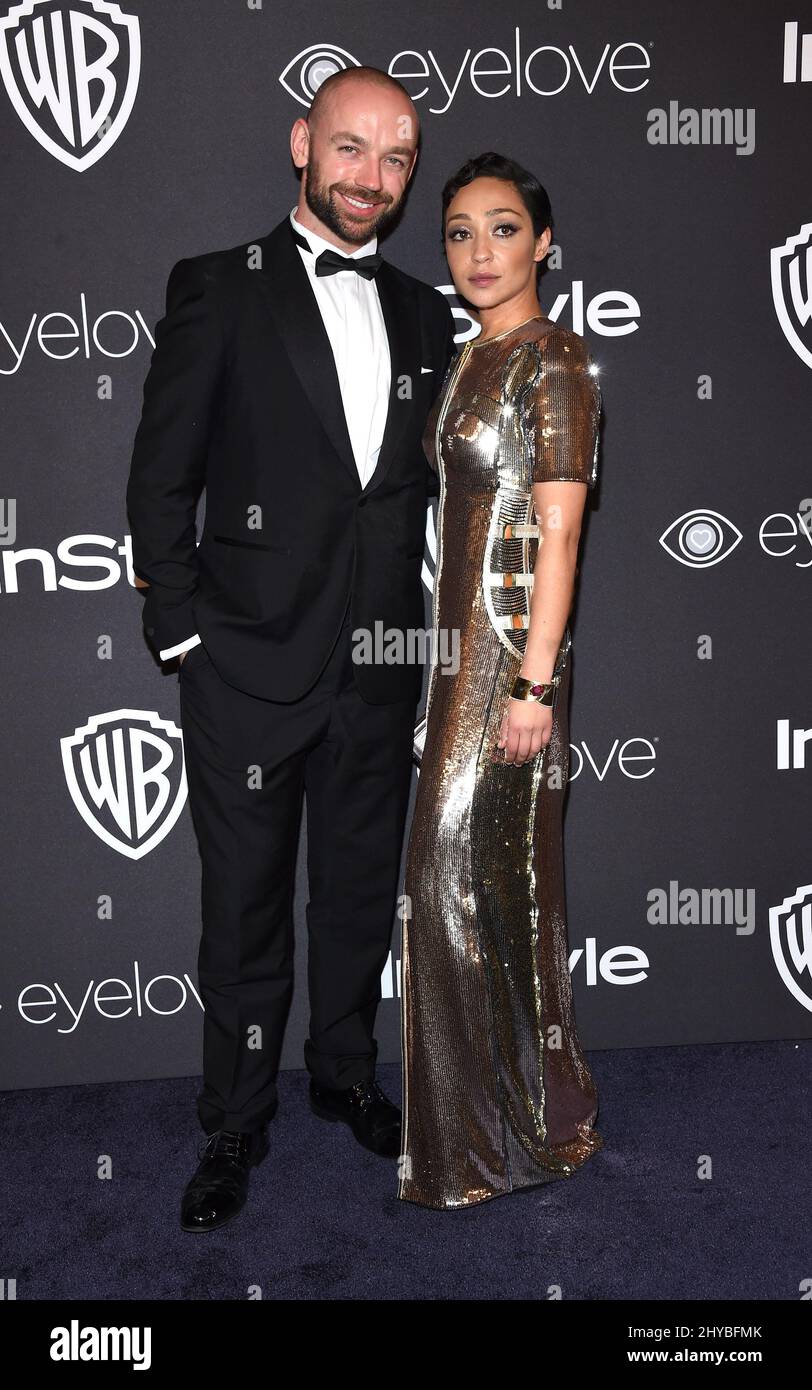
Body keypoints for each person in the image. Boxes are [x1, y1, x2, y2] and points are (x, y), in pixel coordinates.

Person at [126, 66, 456, 1233]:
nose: (372, 175)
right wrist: (180, 631)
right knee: (245, 908)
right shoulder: (220, 286)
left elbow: (415, 494)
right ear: (301, 145)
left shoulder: (422, 312)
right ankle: (234, 1117)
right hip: (247, 666)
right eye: (351, 147)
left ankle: (343, 1073)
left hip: (376, 664)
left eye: (396, 156)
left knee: (357, 893)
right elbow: (162, 472)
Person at [397, 152, 604, 1210]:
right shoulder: (471, 357)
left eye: (504, 228)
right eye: (460, 233)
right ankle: (503, 1129)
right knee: (471, 888)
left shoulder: (552, 361)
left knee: (471, 884)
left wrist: (534, 687)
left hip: (512, 660)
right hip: (456, 656)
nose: (480, 252)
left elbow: (559, 535)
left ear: (544, 242)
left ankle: (506, 1140)